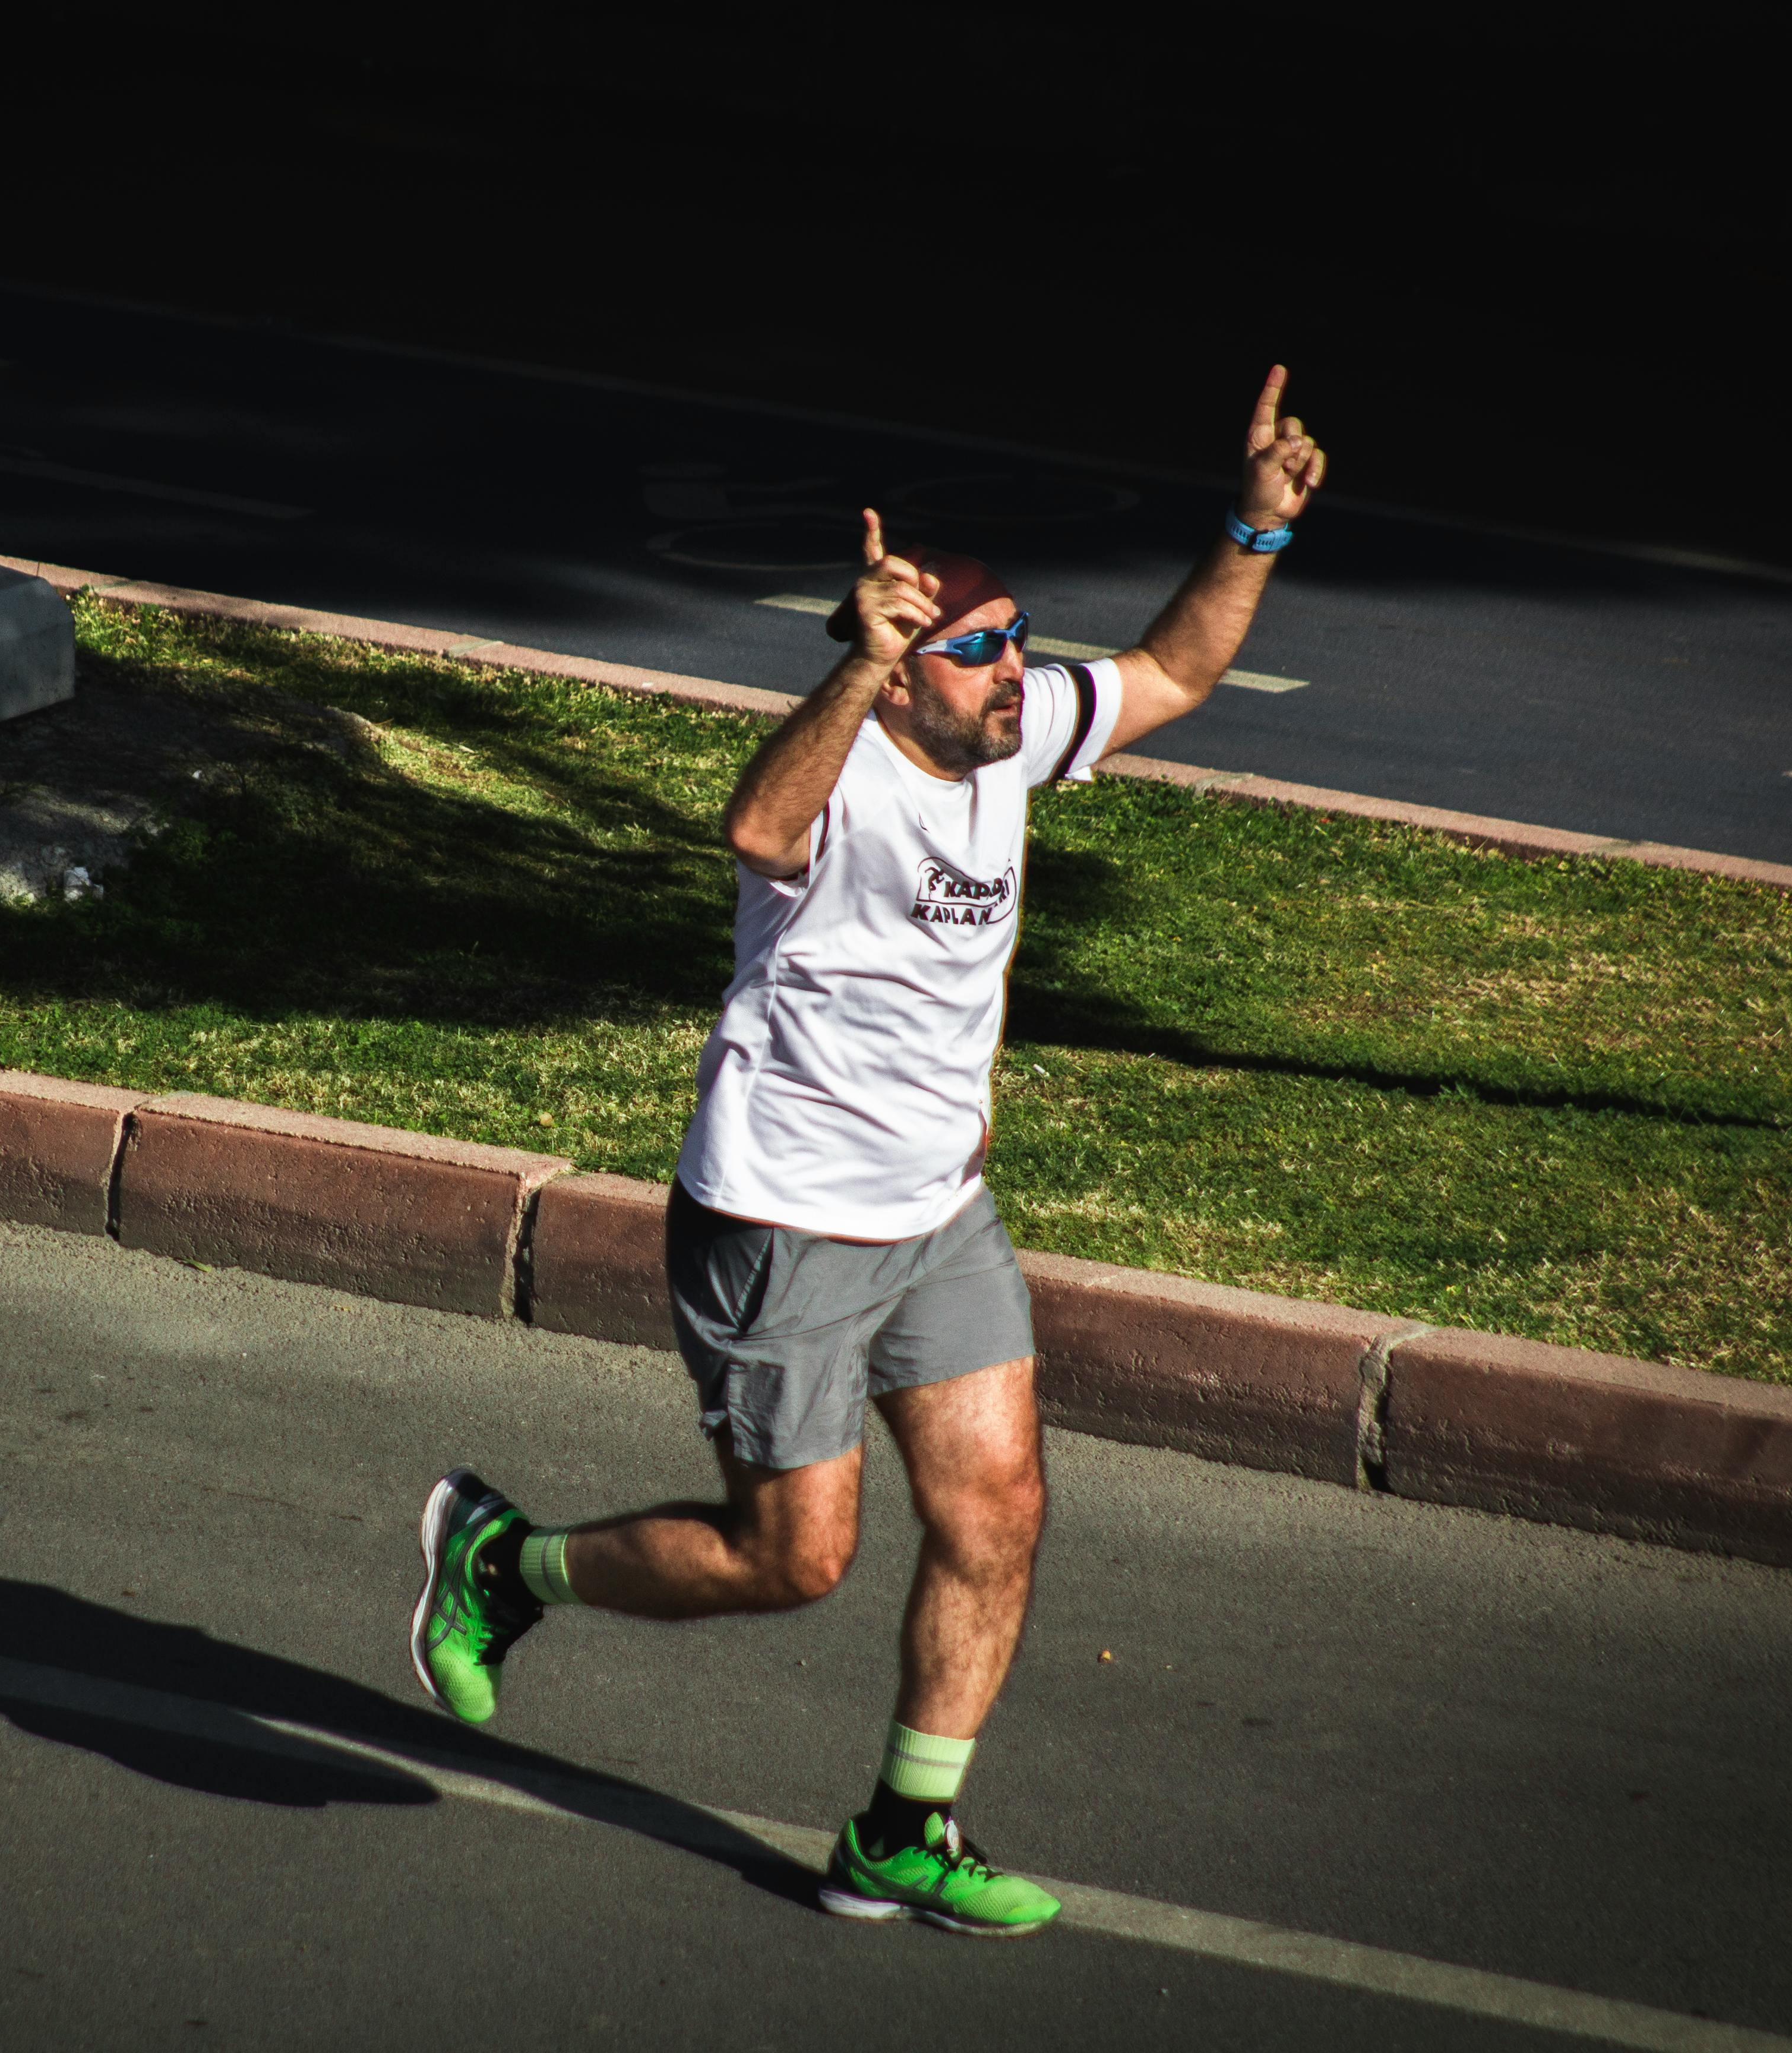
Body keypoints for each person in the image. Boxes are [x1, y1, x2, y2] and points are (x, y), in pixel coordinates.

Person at [409, 368, 1328, 1936]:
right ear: (904, 680)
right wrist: (861, 665)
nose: (1017, 670)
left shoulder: (1011, 742)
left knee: (998, 1510)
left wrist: (1254, 529)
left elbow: (1174, 669)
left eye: (1019, 639)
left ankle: (905, 1831)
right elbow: (756, 833)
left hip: (939, 1214)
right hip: (785, 1221)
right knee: (793, 1559)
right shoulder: (844, 776)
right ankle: (506, 1566)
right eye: (981, 650)